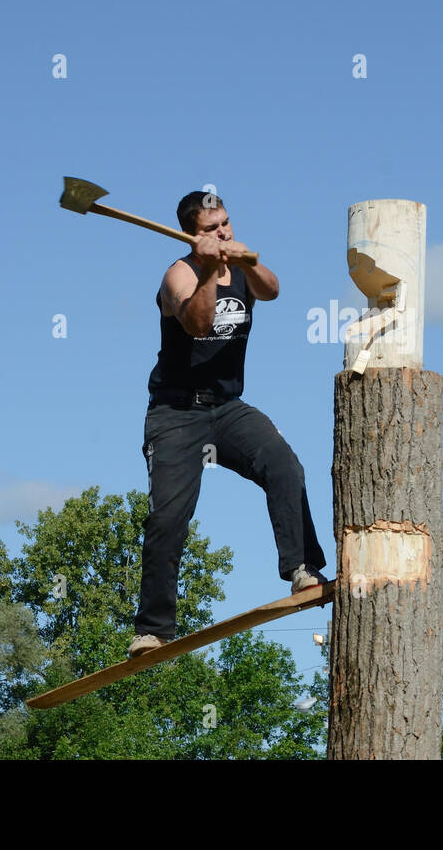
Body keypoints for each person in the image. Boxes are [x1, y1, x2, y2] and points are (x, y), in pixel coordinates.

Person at [129, 191, 328, 658]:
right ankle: (153, 629)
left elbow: (272, 289)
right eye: (212, 229)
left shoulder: (242, 266)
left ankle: (302, 569)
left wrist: (248, 261)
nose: (224, 233)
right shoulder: (179, 274)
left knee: (284, 465)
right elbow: (198, 324)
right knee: (168, 517)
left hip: (226, 407)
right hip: (176, 414)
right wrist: (204, 269)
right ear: (192, 235)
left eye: (226, 224)